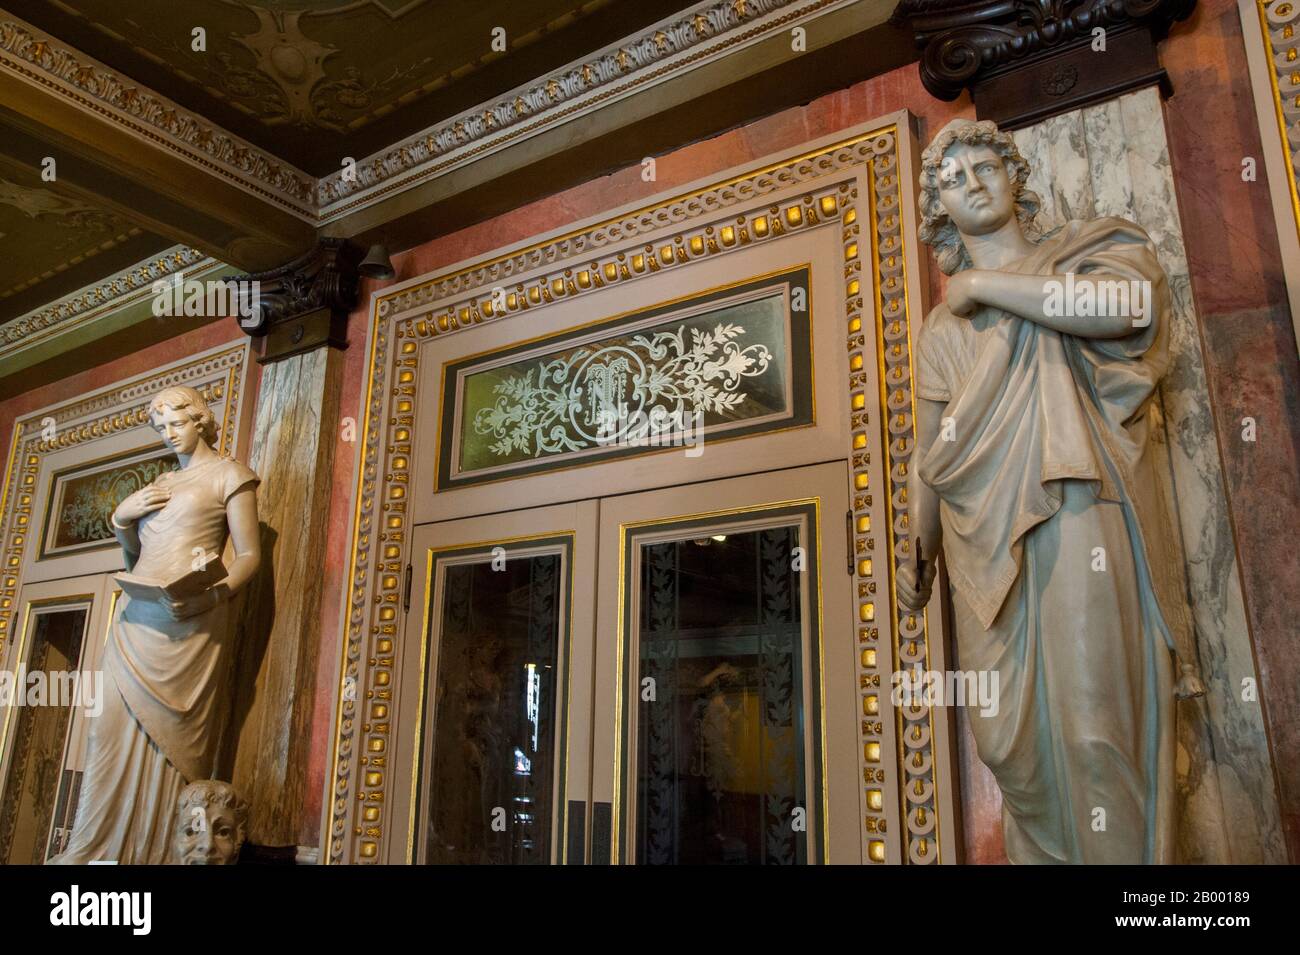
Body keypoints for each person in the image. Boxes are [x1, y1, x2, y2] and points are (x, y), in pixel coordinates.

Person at [897, 118, 1204, 864]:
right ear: (939, 210)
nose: (971, 180)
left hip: (1075, 508)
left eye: (984, 165)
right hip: (982, 551)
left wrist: (981, 283)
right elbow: (932, 449)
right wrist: (919, 544)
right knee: (1010, 745)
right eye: (951, 177)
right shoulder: (941, 331)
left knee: (1096, 730)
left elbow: (1128, 309)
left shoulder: (1085, 255)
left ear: (1014, 177)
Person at [50, 386, 259, 864]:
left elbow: (249, 557)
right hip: (135, 620)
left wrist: (212, 595)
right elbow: (135, 561)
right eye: (162, 428)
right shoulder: (160, 484)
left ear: (201, 421)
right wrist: (122, 521)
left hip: (190, 621)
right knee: (106, 731)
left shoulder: (230, 475)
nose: (170, 435)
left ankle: (154, 853)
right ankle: (96, 849)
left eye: (178, 424)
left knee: (172, 742)